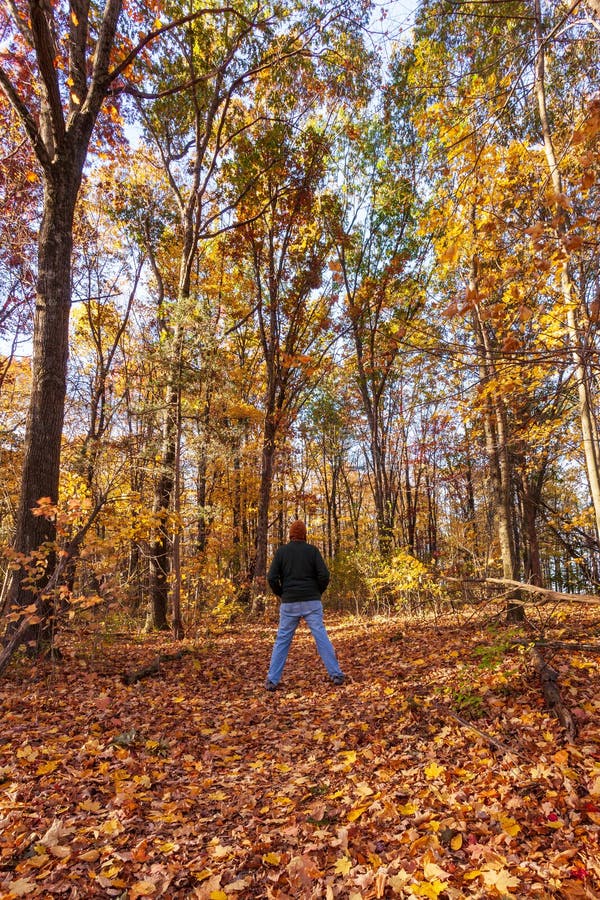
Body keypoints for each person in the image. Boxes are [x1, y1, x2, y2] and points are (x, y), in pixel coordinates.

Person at [265, 519, 345, 690]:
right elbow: (324, 575)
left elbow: (271, 578)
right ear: (304, 535)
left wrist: (282, 593)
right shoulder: (312, 551)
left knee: (282, 640)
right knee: (321, 637)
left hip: (290, 603)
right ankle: (336, 674)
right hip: (312, 602)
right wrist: (317, 592)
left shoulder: (282, 552)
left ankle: (272, 680)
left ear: (291, 535)